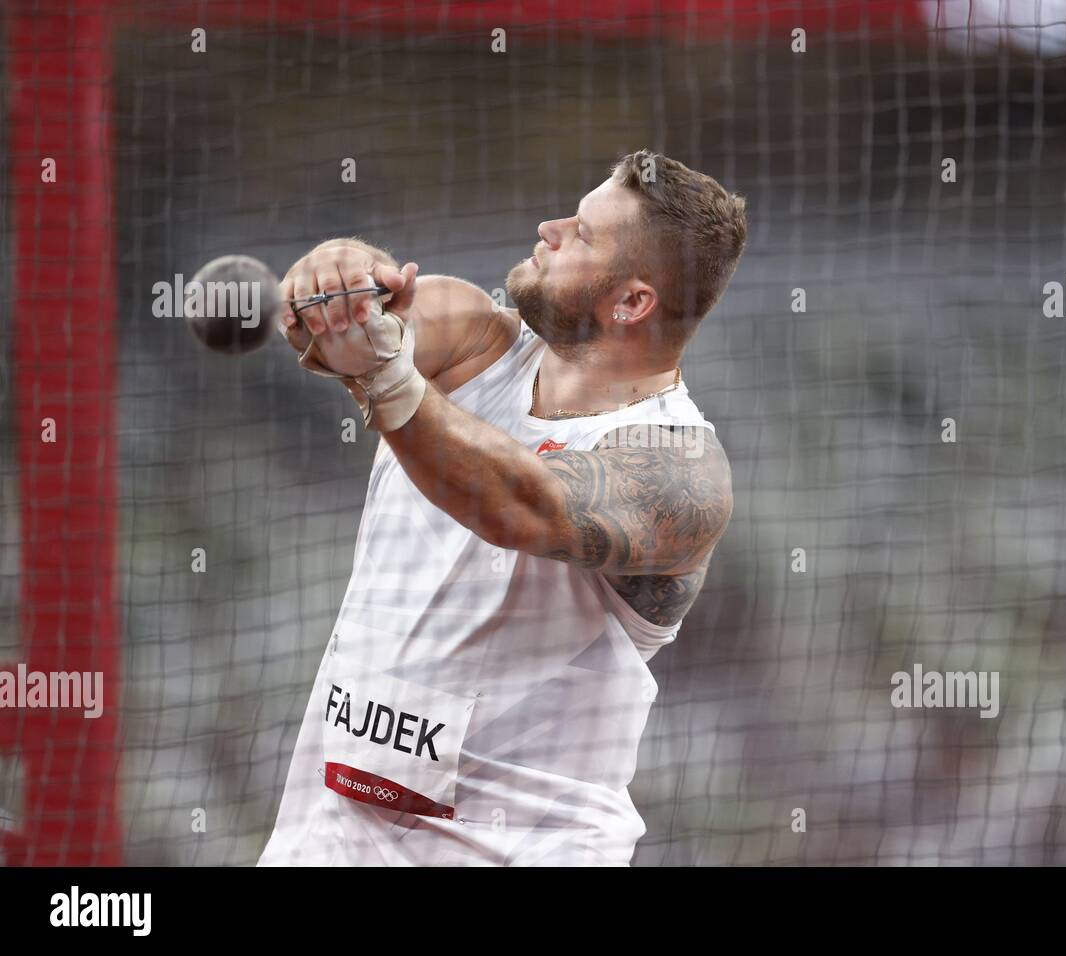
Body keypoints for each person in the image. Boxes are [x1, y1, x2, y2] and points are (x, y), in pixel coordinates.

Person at [258, 150, 747, 865]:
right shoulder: (476, 340)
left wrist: (387, 375)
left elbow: (523, 506)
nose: (548, 229)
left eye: (580, 233)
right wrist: (339, 278)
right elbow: (349, 328)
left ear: (632, 302)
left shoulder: (681, 473)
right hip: (333, 837)